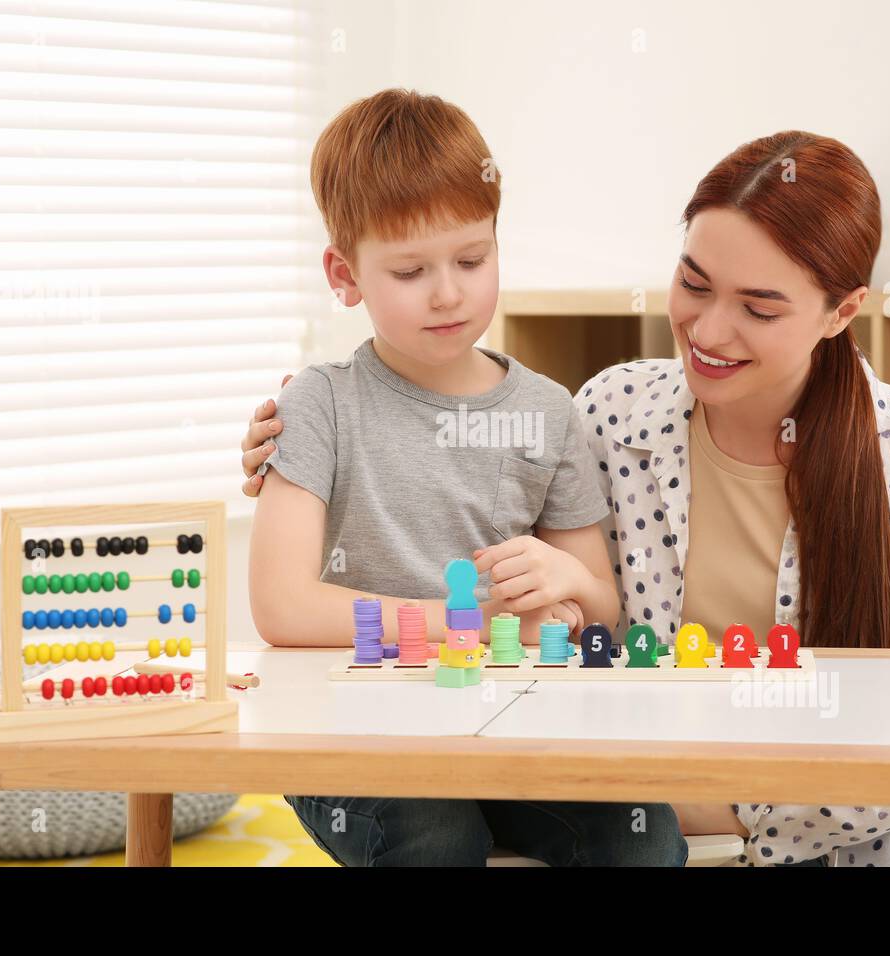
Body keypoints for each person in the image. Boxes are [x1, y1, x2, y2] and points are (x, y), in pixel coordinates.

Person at [245, 128, 890, 867]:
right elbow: (513, 539)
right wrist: (314, 429)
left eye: (759, 307)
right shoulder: (609, 413)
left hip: (864, 837)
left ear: (840, 313)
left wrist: (689, 805)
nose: (710, 332)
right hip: (618, 798)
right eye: (694, 282)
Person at [249, 88, 687, 866]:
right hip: (355, 732)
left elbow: (601, 609)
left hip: (513, 723)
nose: (449, 292)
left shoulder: (551, 413)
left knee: (638, 835)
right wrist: (471, 627)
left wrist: (564, 577)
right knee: (436, 835)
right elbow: (283, 607)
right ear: (344, 275)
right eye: (411, 270)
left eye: (472, 259)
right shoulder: (319, 405)